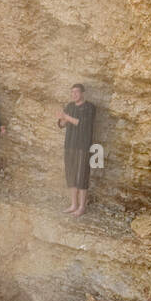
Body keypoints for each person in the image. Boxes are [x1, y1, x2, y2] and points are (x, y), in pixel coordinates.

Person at [56, 83, 96, 216]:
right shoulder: (70, 106)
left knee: (82, 176)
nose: (74, 95)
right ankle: (73, 204)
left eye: (76, 92)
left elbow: (83, 123)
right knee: (71, 175)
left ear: (82, 93)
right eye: (72, 92)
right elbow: (61, 124)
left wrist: (66, 117)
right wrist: (62, 119)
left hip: (83, 146)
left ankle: (82, 207)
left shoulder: (90, 107)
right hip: (70, 145)